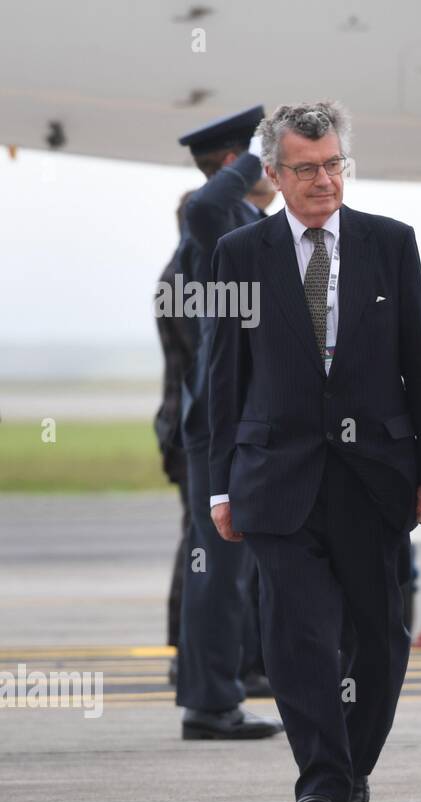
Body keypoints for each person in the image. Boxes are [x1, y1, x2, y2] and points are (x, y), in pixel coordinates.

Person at [207, 101, 421, 802]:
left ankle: (353, 763)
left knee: (378, 635)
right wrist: (221, 485)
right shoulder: (239, 256)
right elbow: (225, 379)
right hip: (274, 476)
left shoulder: (391, 243)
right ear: (276, 175)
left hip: (373, 473)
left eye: (334, 165)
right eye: (307, 169)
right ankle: (318, 778)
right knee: (299, 632)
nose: (324, 180)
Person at [173, 106, 280, 738]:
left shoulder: (245, 221)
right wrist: (255, 155)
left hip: (235, 418)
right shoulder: (216, 219)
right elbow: (201, 206)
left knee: (226, 569)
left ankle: (216, 695)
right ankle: (210, 704)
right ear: (234, 163)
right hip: (220, 422)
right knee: (216, 569)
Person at [155, 190, 198, 685]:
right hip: (188, 429)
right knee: (199, 546)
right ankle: (186, 652)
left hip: (181, 424)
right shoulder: (184, 280)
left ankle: (188, 651)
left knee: (198, 542)